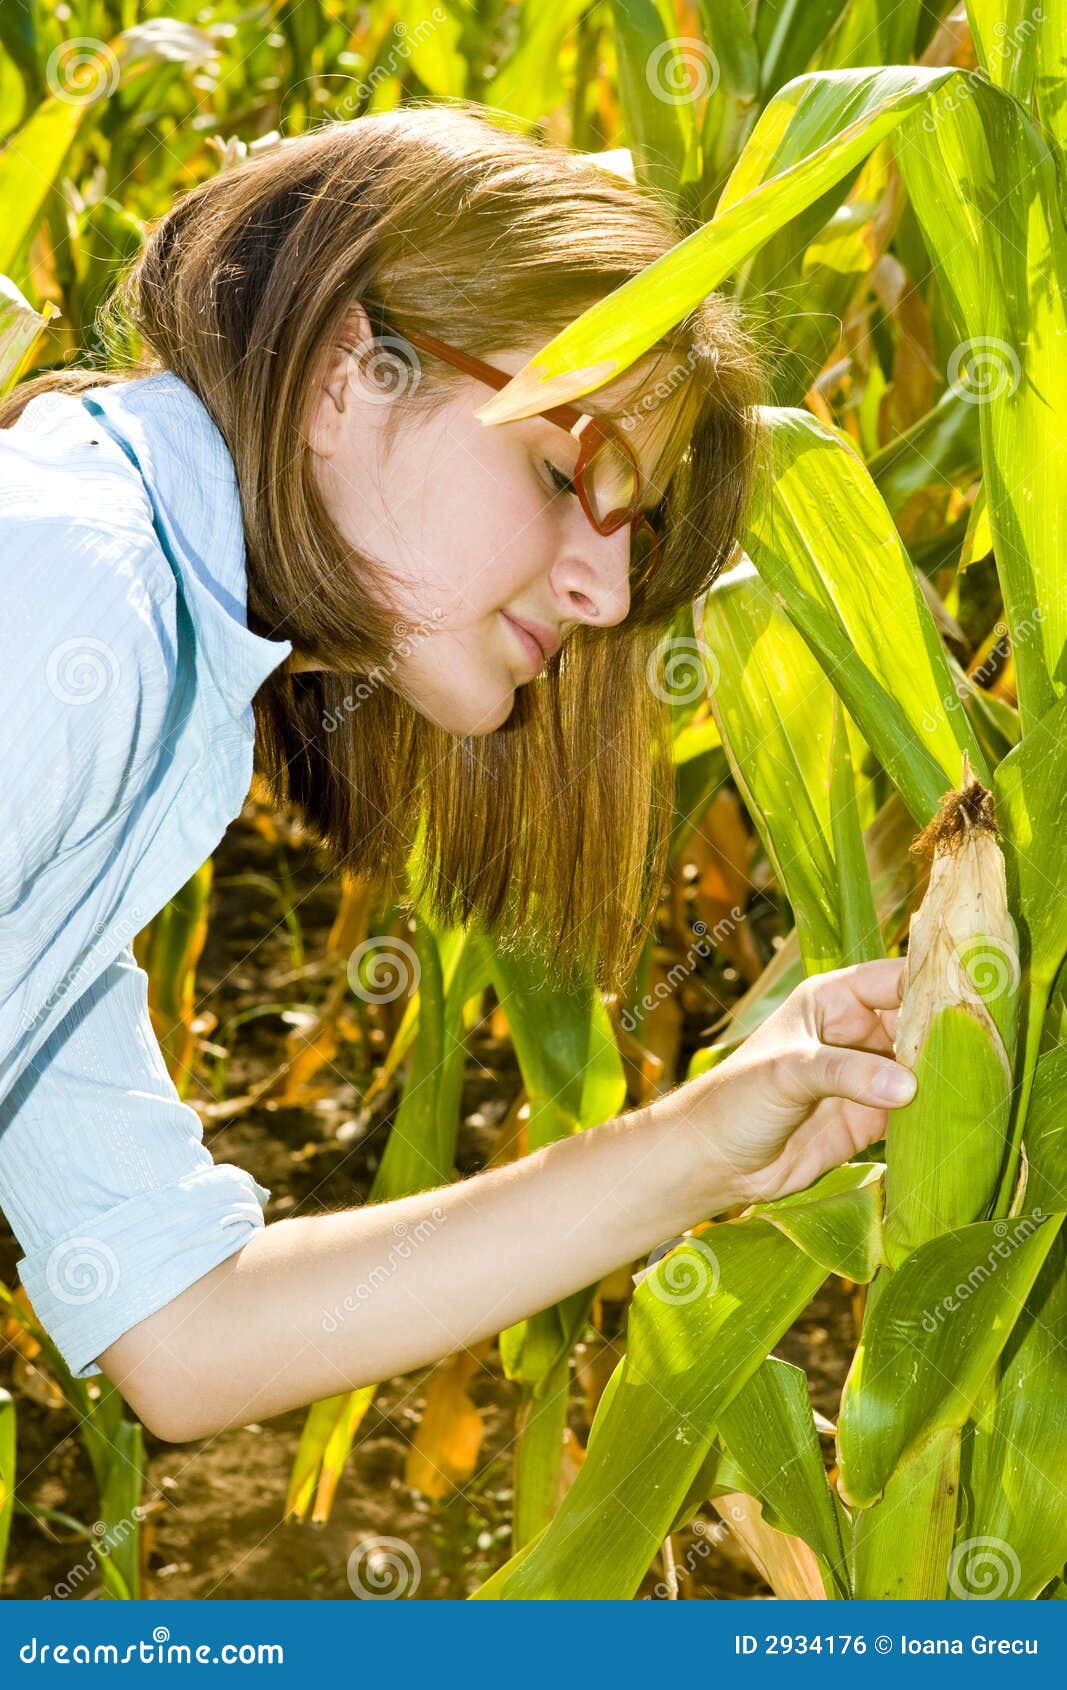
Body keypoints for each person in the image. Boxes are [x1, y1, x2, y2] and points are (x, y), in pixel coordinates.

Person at [0, 101, 916, 1446]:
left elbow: (180, 1329)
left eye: (636, 531)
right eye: (565, 472)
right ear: (340, 377)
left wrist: (706, 1140)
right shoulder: (84, 588)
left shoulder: (142, 650)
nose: (606, 594)